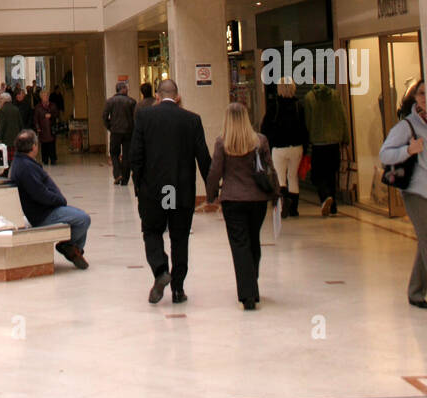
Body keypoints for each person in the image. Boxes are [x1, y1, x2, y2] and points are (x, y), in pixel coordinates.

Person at [129, 79, 211, 305]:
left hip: (154, 191)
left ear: (157, 96)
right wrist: (212, 189)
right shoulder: (192, 120)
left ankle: (160, 270)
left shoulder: (145, 117)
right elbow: (203, 157)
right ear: (177, 97)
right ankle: (178, 289)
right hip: (180, 189)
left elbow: (135, 154)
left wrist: (138, 184)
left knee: (152, 231)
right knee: (179, 237)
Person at [206, 103, 279, 310]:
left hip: (233, 200)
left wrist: (211, 195)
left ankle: (248, 293)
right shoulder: (260, 141)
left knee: (240, 245)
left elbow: (215, 171)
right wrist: (275, 194)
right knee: (253, 241)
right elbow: (270, 169)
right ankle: (251, 280)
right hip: (257, 201)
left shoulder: (223, 143)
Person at [379, 79, 427, 310]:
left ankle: (415, 291)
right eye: (420, 93)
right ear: (415, 98)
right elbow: (384, 155)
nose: (424, 97)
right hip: (415, 192)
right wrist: (408, 150)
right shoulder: (407, 126)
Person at [9, 130, 90, 269]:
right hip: (43, 213)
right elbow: (40, 194)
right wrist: (59, 200)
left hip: (43, 209)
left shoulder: (23, 163)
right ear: (34, 146)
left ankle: (73, 249)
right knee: (83, 219)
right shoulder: (26, 167)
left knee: (77, 216)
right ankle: (69, 246)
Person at [260, 76, 307, 217]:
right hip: (296, 148)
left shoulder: (274, 107)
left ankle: (283, 204)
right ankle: (294, 209)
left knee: (280, 178)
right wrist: (305, 146)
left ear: (279, 89)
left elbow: (265, 129)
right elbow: (304, 128)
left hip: (278, 148)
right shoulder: (299, 106)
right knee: (293, 177)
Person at [303, 80, 348, 215]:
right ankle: (333, 206)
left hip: (318, 143)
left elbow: (308, 120)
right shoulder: (335, 95)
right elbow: (342, 117)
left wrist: (308, 138)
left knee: (317, 176)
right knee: (331, 175)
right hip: (334, 142)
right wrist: (345, 138)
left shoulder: (309, 97)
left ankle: (325, 197)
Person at [103, 80, 136, 185]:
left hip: (115, 132)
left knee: (114, 153)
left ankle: (117, 174)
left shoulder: (110, 101)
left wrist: (110, 126)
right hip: (128, 132)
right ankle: (125, 179)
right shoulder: (132, 101)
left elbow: (104, 116)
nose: (127, 90)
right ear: (122, 89)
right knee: (127, 155)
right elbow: (135, 118)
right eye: (126, 88)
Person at [0, 88, 23, 177]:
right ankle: (14, 172)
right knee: (14, 156)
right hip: (16, 136)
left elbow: (1, 125)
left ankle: (6, 172)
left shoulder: (3, 110)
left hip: (6, 137)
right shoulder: (16, 109)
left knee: (7, 157)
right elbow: (20, 123)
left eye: (0, 100)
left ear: (4, 100)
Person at [34, 90, 58, 165]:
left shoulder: (53, 105)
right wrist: (37, 127)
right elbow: (35, 118)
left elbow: (57, 114)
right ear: (41, 97)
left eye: (47, 96)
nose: (46, 97)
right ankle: (45, 159)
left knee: (52, 144)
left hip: (51, 128)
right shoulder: (38, 107)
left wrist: (51, 116)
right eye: (44, 96)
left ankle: (53, 158)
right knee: (44, 145)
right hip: (43, 129)